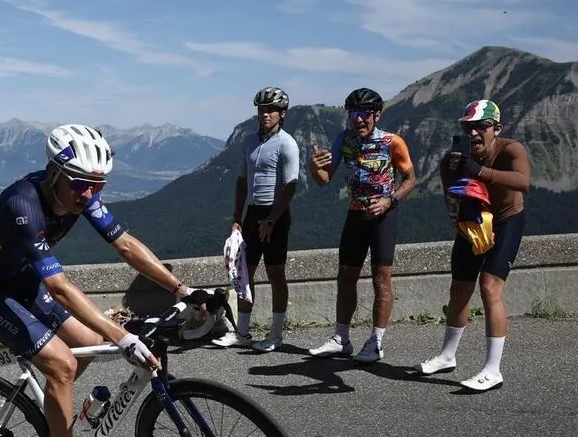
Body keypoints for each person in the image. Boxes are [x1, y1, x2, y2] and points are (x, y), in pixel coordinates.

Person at [0, 124, 197, 437]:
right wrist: (124, 337)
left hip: (15, 274)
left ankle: (56, 415)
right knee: (62, 364)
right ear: (53, 174)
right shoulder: (23, 205)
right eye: (81, 184)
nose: (90, 194)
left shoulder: (83, 193)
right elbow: (59, 287)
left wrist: (184, 290)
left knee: (89, 341)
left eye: (99, 185)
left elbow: (125, 246)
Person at [417, 100, 530, 392]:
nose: (475, 133)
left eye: (482, 126)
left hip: (507, 220)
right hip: (472, 221)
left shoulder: (510, 149)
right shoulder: (450, 161)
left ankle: (493, 370)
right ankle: (447, 355)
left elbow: (523, 181)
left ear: (497, 129)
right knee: (459, 289)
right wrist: (462, 223)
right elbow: (450, 201)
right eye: (468, 127)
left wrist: (479, 172)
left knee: (490, 287)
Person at [307, 88, 416, 363]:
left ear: (376, 115)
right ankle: (341, 338)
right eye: (354, 114)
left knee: (381, 281)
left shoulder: (392, 142)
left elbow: (410, 179)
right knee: (345, 278)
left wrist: (389, 201)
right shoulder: (343, 139)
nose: (358, 120)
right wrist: (313, 167)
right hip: (355, 215)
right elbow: (324, 179)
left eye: (365, 114)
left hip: (383, 216)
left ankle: (376, 343)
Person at [214, 86, 300, 353]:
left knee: (276, 275)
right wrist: (237, 217)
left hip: (276, 215)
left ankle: (275, 334)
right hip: (252, 215)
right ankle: (242, 331)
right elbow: (242, 180)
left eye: (271, 110)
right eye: (262, 110)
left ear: (282, 114)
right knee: (244, 272)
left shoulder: (287, 143)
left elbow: (290, 186)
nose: (265, 114)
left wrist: (272, 220)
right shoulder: (250, 141)